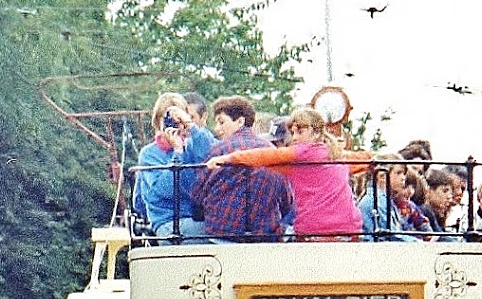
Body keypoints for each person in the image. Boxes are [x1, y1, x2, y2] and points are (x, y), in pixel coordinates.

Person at [203, 106, 366, 237]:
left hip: (315, 231)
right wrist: (376, 159)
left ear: (316, 133)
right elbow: (361, 160)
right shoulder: (336, 156)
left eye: (300, 132)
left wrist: (228, 158)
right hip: (350, 230)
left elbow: (268, 156)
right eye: (293, 132)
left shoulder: (302, 152)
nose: (294, 138)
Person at [190, 95, 292, 239]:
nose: (217, 128)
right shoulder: (272, 151)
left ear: (240, 121)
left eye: (221, 122)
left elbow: (197, 198)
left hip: (222, 234)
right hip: (265, 236)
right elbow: (286, 200)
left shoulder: (218, 151)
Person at [132, 92, 215, 239]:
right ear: (158, 122)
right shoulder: (150, 154)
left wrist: (190, 125)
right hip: (168, 221)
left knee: (232, 231)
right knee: (220, 235)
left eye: (178, 119)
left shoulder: (193, 145)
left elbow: (213, 152)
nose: (175, 124)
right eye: (168, 120)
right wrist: (177, 153)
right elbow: (165, 190)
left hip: (197, 218)